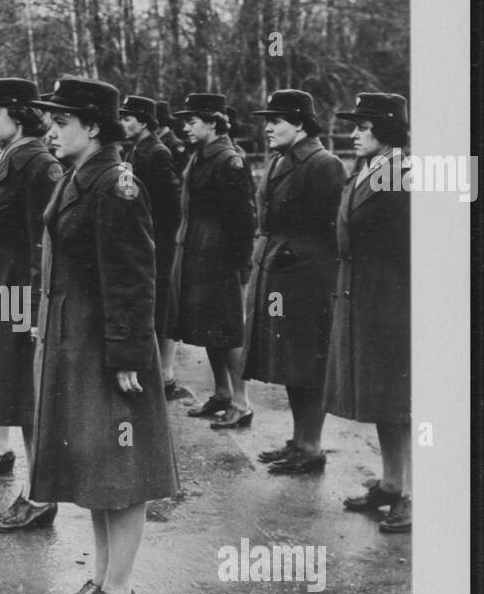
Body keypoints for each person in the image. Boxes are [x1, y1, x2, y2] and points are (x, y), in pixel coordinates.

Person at [29, 77, 179, 594]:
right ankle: (101, 579)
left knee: (122, 470)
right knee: (97, 467)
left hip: (105, 346)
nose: (51, 129)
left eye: (61, 120)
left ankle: (119, 591)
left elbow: (135, 279)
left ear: (93, 126)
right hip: (79, 340)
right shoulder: (82, 175)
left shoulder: (116, 185)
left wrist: (126, 357)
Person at [0, 79, 63, 530]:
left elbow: (44, 243)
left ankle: (40, 494)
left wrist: (35, 308)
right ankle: (29, 485)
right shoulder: (11, 155)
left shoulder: (38, 163)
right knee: (10, 385)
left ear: (19, 115)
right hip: (1, 281)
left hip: (21, 286)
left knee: (25, 391)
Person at [244, 91, 346, 473]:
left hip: (309, 279)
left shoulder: (324, 165)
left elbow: (333, 230)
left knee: (309, 361)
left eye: (277, 120)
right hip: (280, 272)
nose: (268, 127)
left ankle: (312, 446)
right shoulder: (279, 161)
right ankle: (299, 440)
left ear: (300, 123)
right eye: (268, 119)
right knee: (291, 361)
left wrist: (304, 260)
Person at [323, 93, 412, 533]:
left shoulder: (402, 175)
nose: (353, 133)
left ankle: (411, 493)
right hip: (363, 297)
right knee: (381, 398)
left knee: (399, 402)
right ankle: (391, 483)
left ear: (386, 128)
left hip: (392, 303)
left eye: (362, 125)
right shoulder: (368, 170)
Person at [169, 92, 257, 429]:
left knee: (227, 329)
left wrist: (241, 266)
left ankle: (241, 401)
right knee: (208, 326)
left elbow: (242, 220)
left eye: (192, 121)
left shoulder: (228, 160)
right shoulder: (200, 156)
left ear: (214, 122)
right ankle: (221, 392)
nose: (185, 127)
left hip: (219, 256)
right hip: (196, 251)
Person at [120, 95, 185, 400]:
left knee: (156, 311)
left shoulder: (156, 153)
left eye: (128, 118)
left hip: (155, 245)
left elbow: (168, 207)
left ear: (144, 122)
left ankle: (157, 380)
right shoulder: (137, 149)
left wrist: (150, 239)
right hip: (144, 242)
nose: (123, 123)